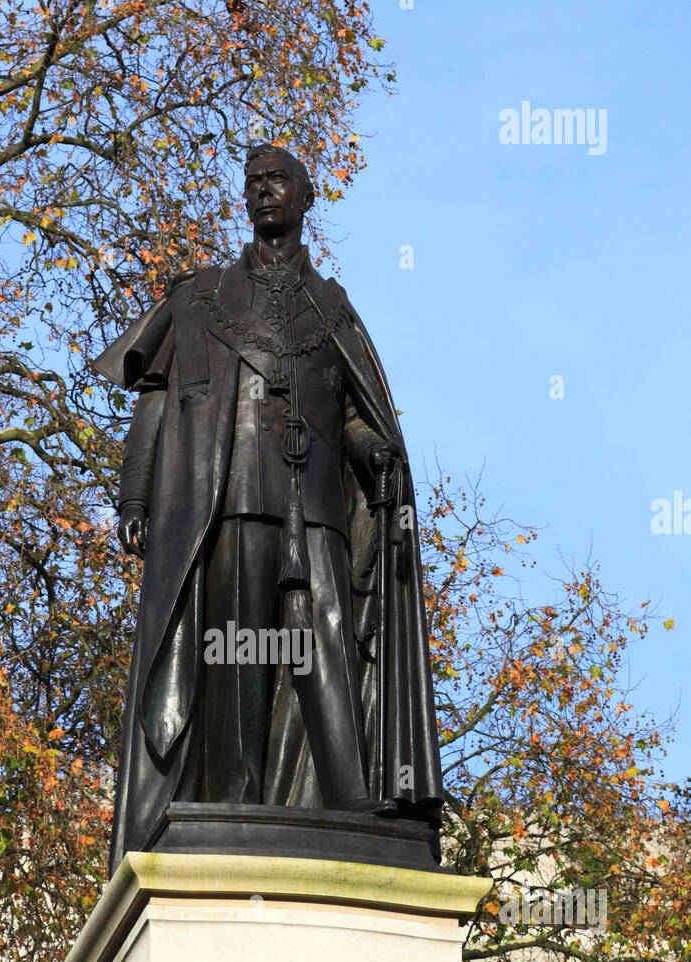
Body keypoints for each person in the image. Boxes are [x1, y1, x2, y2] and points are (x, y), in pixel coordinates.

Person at [93, 144, 443, 871]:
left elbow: (353, 412)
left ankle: (349, 798)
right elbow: (155, 405)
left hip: (313, 508)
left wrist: (373, 453)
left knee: (327, 646)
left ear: (306, 196)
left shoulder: (331, 306)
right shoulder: (199, 298)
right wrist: (135, 495)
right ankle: (236, 796)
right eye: (251, 184)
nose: (261, 192)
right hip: (228, 504)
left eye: (276, 181)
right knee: (237, 650)